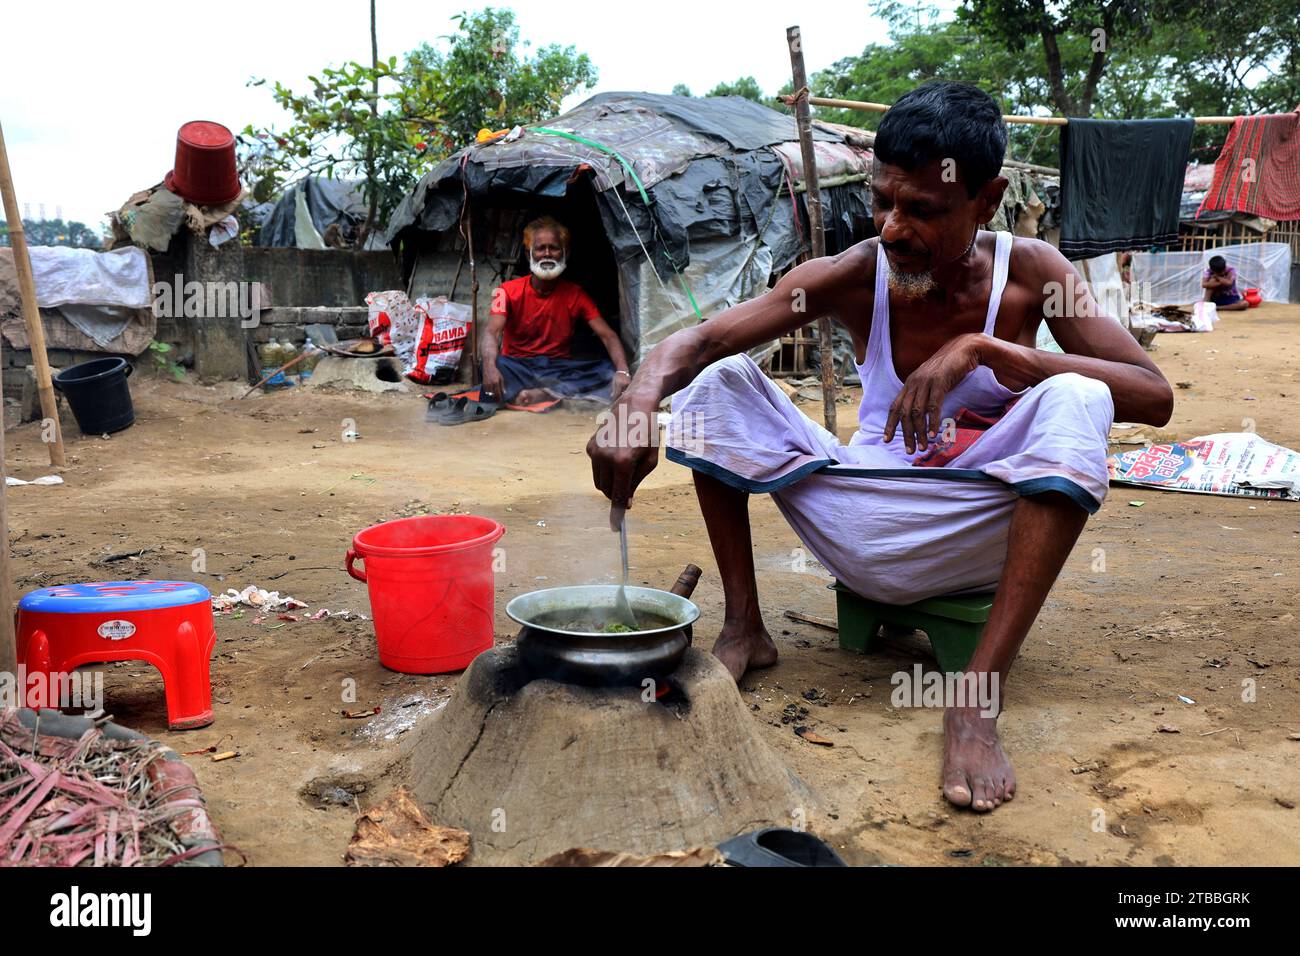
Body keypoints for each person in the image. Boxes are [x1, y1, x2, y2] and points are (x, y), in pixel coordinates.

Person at [586, 81, 1174, 814]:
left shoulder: (1033, 276)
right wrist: (639, 403)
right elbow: (699, 340)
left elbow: (1152, 396)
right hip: (862, 518)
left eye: (922, 210)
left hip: (975, 526)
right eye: (881, 202)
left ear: (985, 202)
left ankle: (974, 700)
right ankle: (745, 624)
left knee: (1080, 396)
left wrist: (988, 350)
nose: (894, 229)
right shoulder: (855, 275)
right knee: (719, 383)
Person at [480, 217, 631, 405]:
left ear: (565, 253)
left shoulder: (576, 294)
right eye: (540, 248)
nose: (547, 254)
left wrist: (623, 370)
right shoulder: (506, 291)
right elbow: (491, 331)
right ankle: (554, 393)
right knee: (496, 366)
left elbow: (608, 335)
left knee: (607, 370)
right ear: (529, 255)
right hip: (519, 366)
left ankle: (545, 393)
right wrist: (489, 367)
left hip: (558, 370)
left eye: (554, 248)